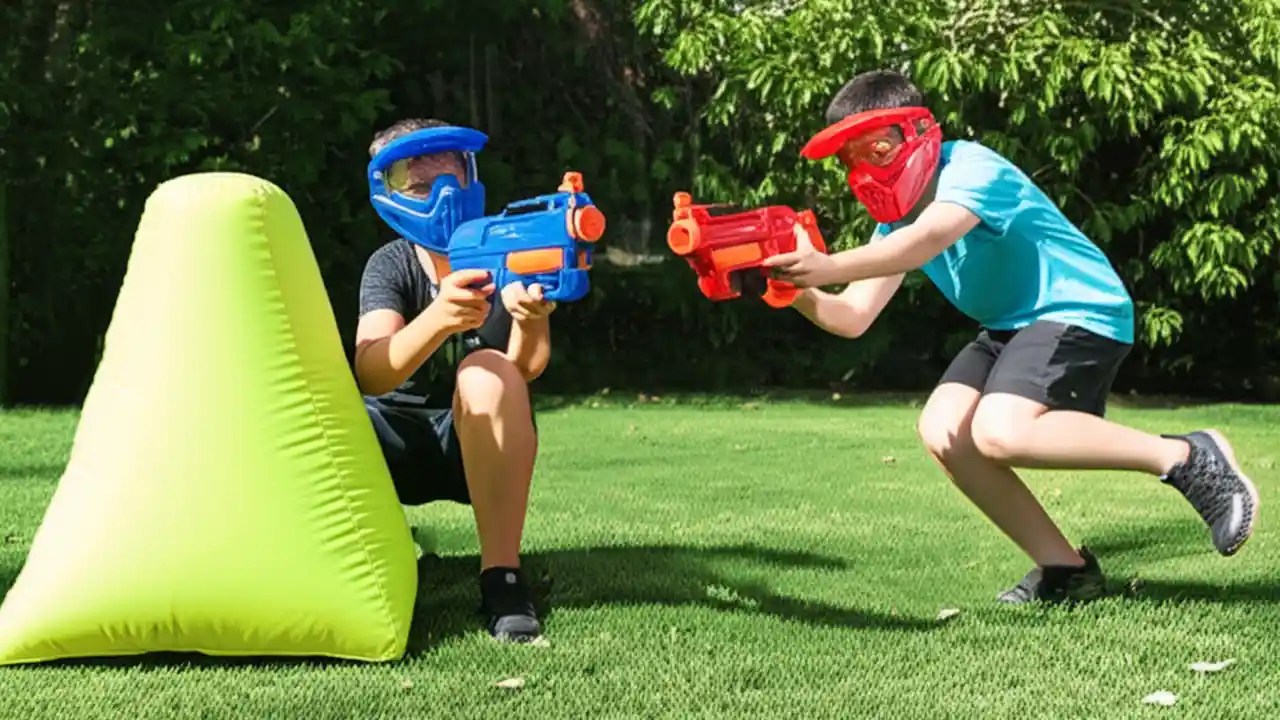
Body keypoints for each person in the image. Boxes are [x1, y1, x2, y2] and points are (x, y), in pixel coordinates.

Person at [764, 70, 1259, 604]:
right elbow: (853, 316)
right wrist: (793, 288)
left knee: (1001, 431)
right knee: (943, 430)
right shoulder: (894, 225)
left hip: (1079, 307)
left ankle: (1187, 456)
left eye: (876, 151)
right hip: (1010, 327)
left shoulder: (970, 169)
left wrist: (826, 264)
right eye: (850, 162)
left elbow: (929, 239)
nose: (863, 173)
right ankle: (1067, 571)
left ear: (916, 134)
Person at [355, 117, 553, 641]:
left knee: (486, 371)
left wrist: (532, 318)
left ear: (471, 178)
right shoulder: (391, 265)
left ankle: (502, 576)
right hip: (391, 440)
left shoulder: (505, 256)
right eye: (420, 185)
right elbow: (371, 371)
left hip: (477, 444)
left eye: (452, 179)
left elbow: (527, 366)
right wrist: (440, 316)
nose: (443, 197)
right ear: (391, 192)